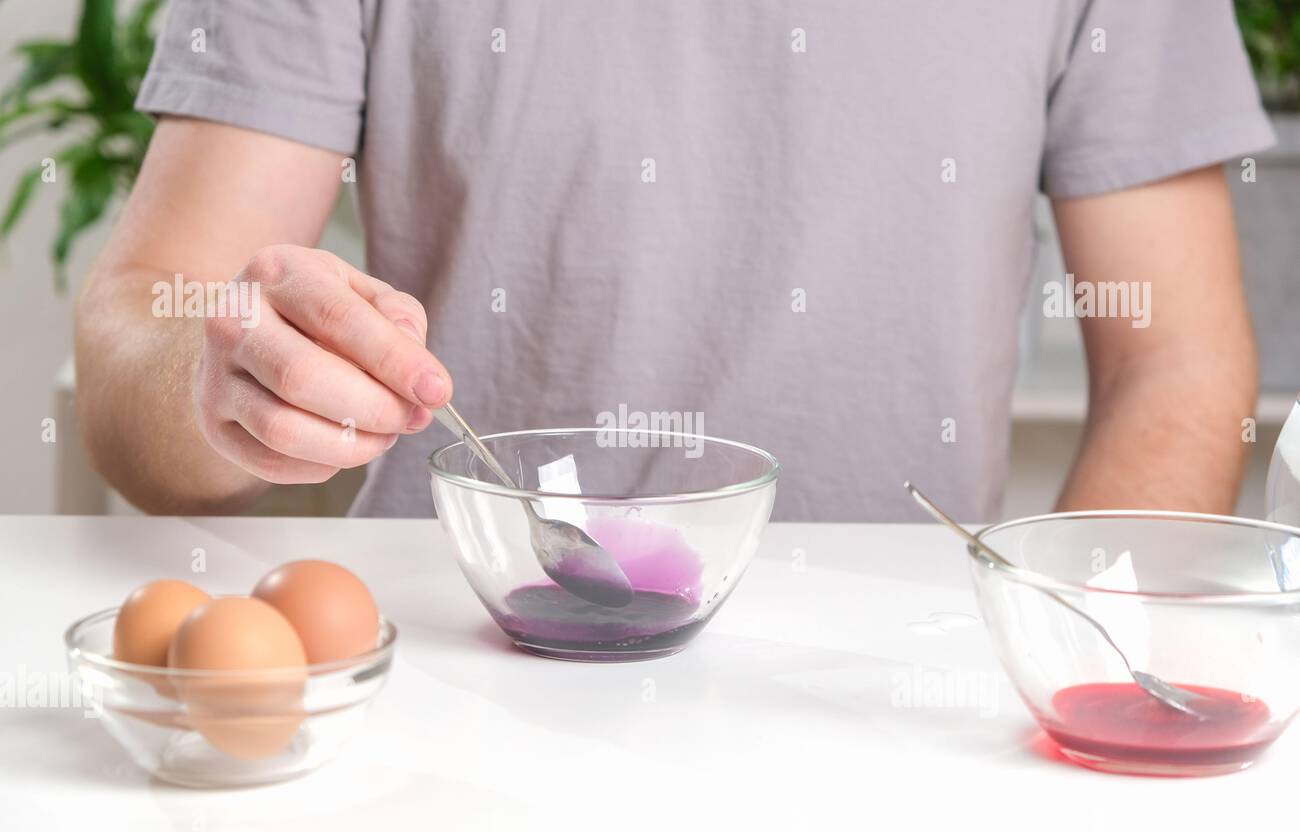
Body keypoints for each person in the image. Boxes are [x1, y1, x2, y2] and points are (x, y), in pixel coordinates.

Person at [76, 0, 1273, 521]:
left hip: (888, 702)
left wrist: (1072, 660)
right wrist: (211, 382)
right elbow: (148, 330)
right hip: (447, 690)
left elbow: (1175, 367)